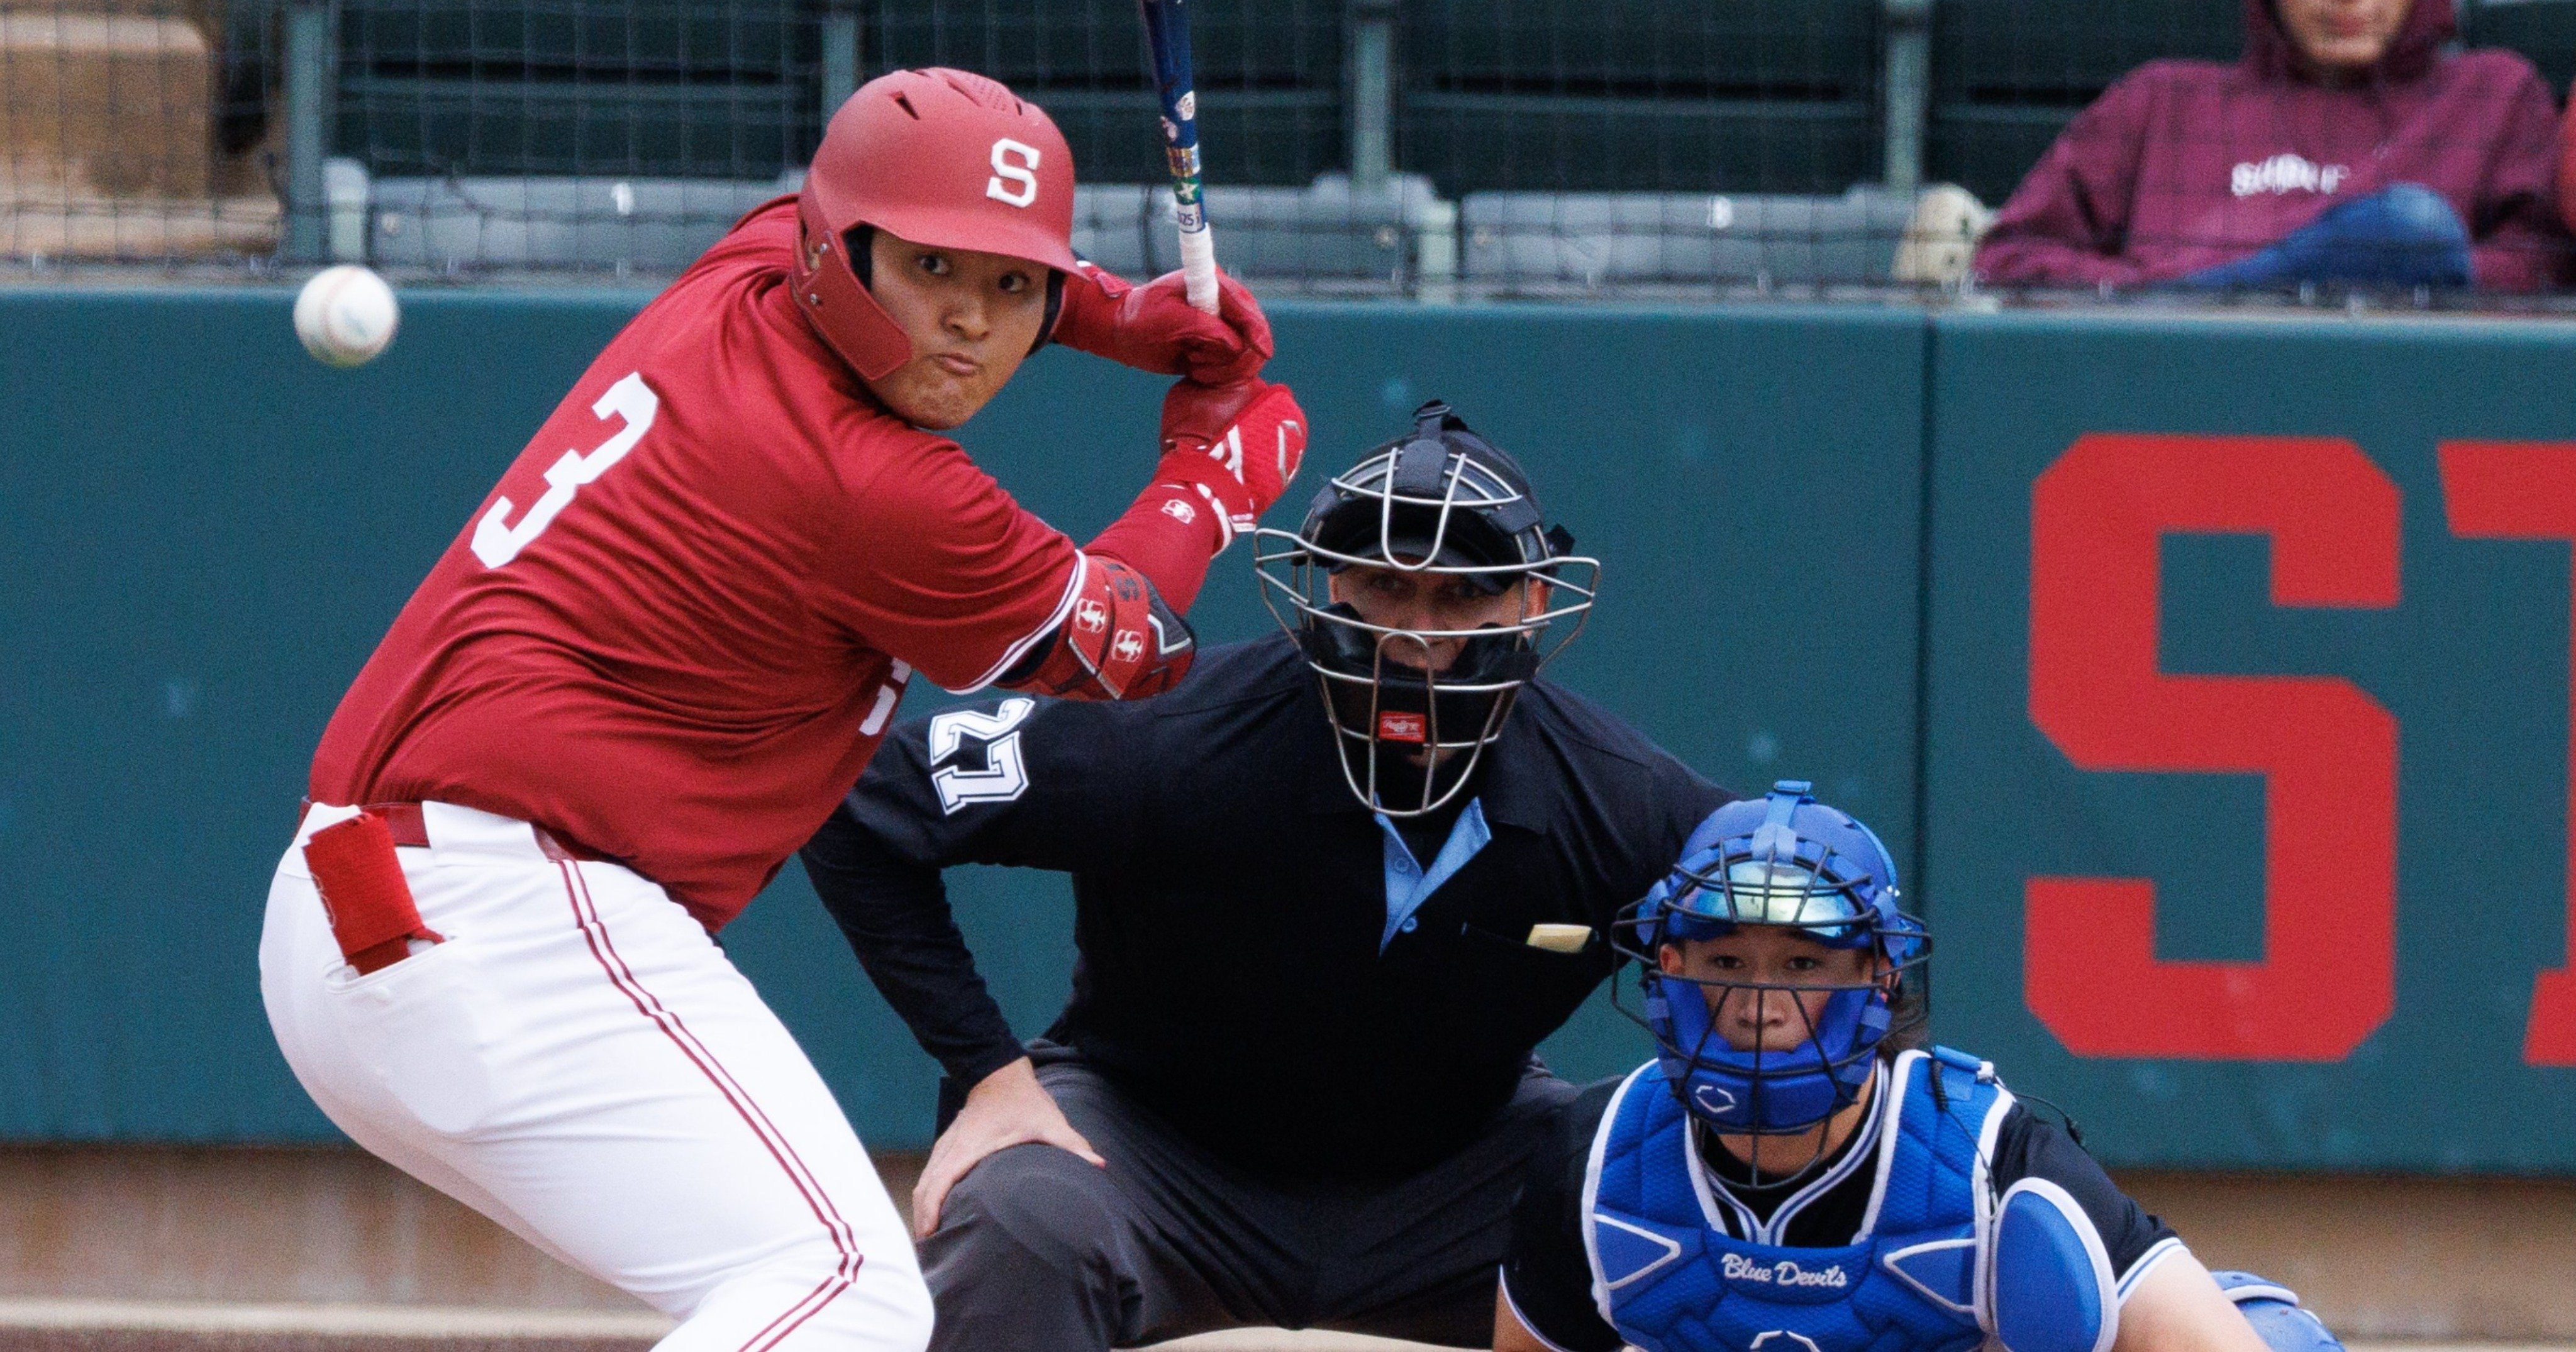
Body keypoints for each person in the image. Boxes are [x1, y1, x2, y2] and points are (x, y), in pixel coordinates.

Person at [258, 66, 1309, 1352]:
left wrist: (1114, 313)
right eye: (932, 271)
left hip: (376, 918)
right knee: (843, 1295)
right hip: (498, 913)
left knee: (787, 1286)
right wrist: (1213, 473)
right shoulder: (875, 487)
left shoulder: (748, 271)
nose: (970, 324)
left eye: (1009, 286)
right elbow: (1115, 649)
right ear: (840, 250)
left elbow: (918, 248)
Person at [802, 401, 1736, 1351]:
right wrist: (990, 1075)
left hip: (1460, 1169)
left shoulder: (1621, 798)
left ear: (1531, 604)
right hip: (1149, 1144)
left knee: (1653, 1209)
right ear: (1325, 584)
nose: (1413, 633)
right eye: (1381, 585)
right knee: (1018, 1213)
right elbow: (862, 799)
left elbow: (1825, 915)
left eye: (1459, 595)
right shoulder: (1169, 734)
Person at [1495, 782, 2350, 1352]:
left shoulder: (1987, 1162)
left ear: (1878, 977)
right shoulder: (1600, 1161)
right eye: (1725, 963)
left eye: (1803, 965)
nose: (1758, 1002)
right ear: (1669, 972)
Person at [1974, 0, 2568, 292]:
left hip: (2405, 409)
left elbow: (2546, 271)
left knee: (2411, 230)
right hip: (2171, 401)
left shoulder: (2495, 94)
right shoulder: (2161, 99)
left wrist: (2394, 274)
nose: (2349, 3)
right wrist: (2165, 296)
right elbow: (2007, 262)